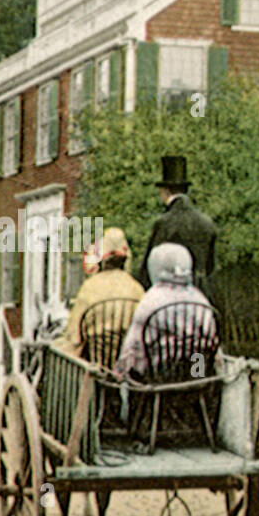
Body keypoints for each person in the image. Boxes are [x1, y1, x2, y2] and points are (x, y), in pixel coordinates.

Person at [115, 243, 216, 379]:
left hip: (161, 375)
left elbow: (133, 347)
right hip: (196, 373)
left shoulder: (150, 301)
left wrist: (121, 371)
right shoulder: (200, 300)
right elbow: (211, 339)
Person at [53, 227, 145, 359]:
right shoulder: (137, 290)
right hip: (127, 364)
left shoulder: (90, 288)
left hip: (94, 364)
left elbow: (74, 336)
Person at [136, 156, 218, 300]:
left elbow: (148, 268)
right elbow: (210, 267)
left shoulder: (164, 223)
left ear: (165, 191)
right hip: (202, 296)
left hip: (171, 297)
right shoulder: (206, 223)